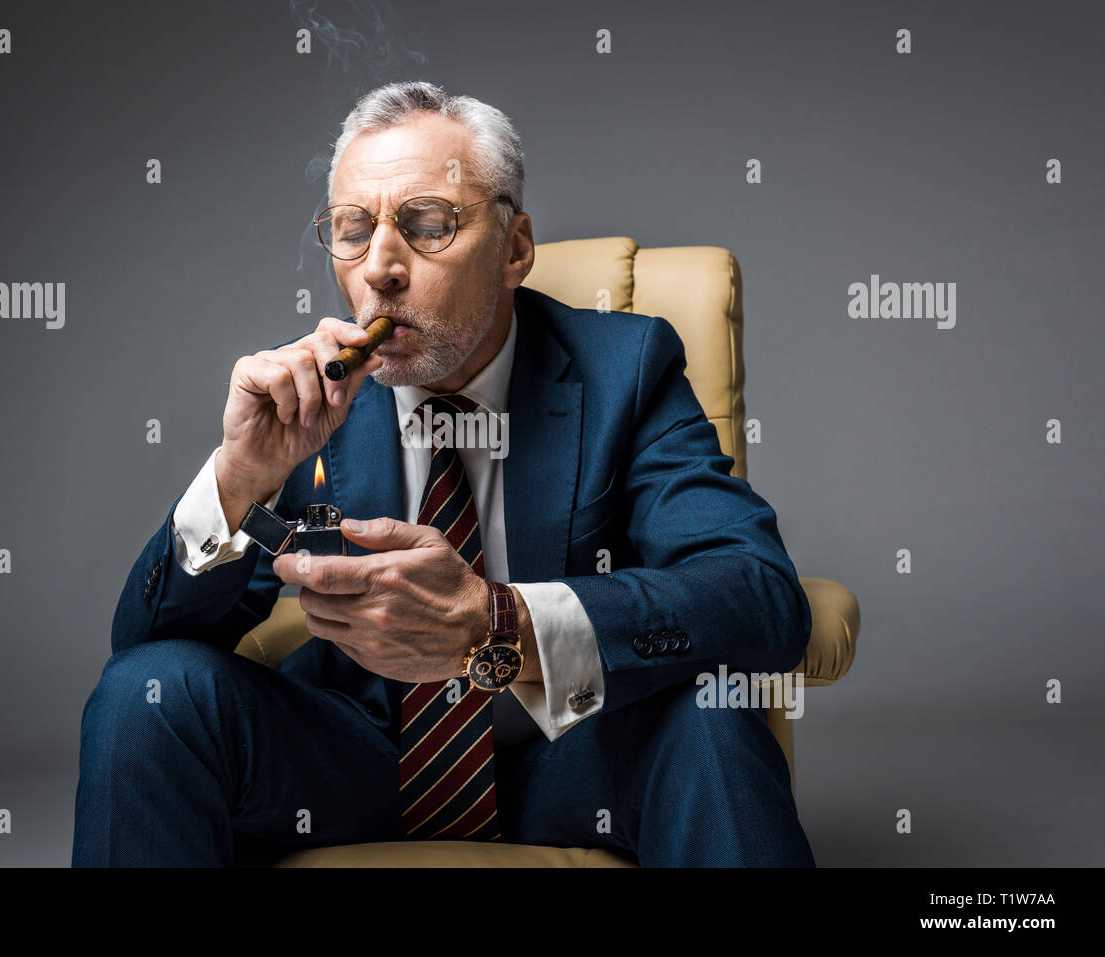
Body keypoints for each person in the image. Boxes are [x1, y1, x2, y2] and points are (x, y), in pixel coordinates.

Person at [73, 80, 815, 867]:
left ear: (515, 249)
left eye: (426, 225)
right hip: (350, 763)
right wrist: (238, 479)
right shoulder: (307, 400)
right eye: (353, 231)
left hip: (575, 762)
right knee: (143, 697)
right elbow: (141, 648)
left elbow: (759, 595)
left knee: (708, 708)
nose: (381, 270)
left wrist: (499, 622)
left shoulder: (624, 369)